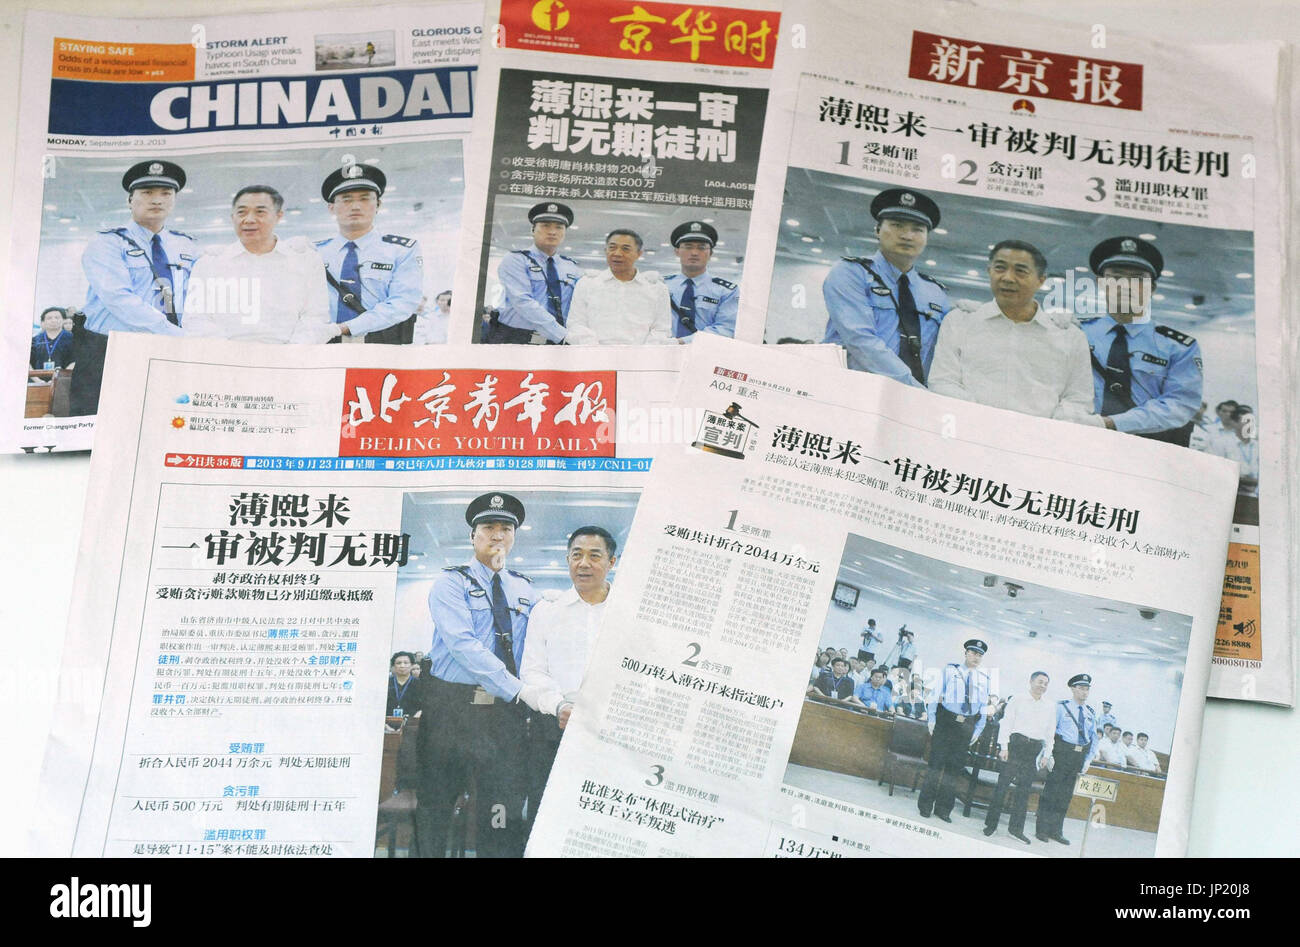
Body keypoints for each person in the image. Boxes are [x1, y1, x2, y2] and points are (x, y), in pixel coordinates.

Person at [419, 492, 538, 857]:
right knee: (436, 803)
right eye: (488, 527)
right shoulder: (450, 584)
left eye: (506, 528)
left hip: (502, 715)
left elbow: (536, 646)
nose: (497, 535)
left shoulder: (526, 588)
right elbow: (463, 645)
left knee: (500, 804)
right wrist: (518, 690)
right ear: (473, 536)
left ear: (514, 537)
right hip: (451, 709)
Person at [72, 159, 197, 415]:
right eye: (147, 193)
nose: (157, 200)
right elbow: (118, 298)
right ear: (130, 200)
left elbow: (200, 293)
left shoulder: (187, 245)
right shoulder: (107, 243)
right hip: (109, 352)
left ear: (174, 200)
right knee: (100, 430)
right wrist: (173, 333)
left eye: (166, 193)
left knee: (162, 423)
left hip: (166, 351)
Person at [928, 240, 1098, 424]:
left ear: (1041, 280)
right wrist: (983, 422)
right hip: (971, 432)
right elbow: (943, 382)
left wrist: (1045, 430)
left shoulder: (1069, 336)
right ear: (989, 272)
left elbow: (1078, 398)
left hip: (1040, 441)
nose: (1008, 278)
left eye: (1020, 271)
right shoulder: (960, 321)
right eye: (1000, 268)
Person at [519, 525, 618, 806]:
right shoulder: (547, 610)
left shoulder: (628, 612)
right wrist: (559, 706)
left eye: (594, 556)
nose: (583, 563)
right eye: (576, 555)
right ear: (567, 560)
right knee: (546, 811)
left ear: (612, 562)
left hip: (609, 732)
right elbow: (532, 671)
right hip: (552, 728)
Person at [1079, 236, 1203, 446]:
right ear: (1101, 284)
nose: (1125, 286)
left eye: (1137, 279)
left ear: (1151, 289)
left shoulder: (1178, 347)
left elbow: (1180, 403)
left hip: (1146, 447)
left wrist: (1112, 423)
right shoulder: (1075, 332)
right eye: (1116, 277)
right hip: (1080, 440)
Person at [822, 188, 952, 385]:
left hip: (915, 400)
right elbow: (860, 340)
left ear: (926, 237)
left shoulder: (936, 293)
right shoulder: (851, 273)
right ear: (877, 230)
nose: (907, 235)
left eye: (918, 229)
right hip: (851, 390)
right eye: (897, 225)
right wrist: (911, 387)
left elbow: (941, 351)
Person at [183, 185, 332, 344]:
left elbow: (316, 316)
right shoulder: (209, 264)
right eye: (242, 212)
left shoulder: (305, 261)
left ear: (278, 216)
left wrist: (290, 353)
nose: (249, 219)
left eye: (260, 212)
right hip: (226, 359)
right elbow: (195, 319)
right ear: (232, 217)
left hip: (290, 359)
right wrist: (228, 352)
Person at [314, 162, 423, 344]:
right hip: (324, 346)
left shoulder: (401, 250)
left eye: (365, 198)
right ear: (331, 208)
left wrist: (346, 328)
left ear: (378, 204)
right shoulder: (315, 252)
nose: (355, 206)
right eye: (346, 199)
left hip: (381, 345)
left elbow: (403, 302)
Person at [918, 638, 991, 822]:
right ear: (965, 653)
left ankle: (944, 809)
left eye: (980, 655)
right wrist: (932, 720)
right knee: (936, 765)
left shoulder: (984, 679)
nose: (976, 657)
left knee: (954, 770)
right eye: (973, 653)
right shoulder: (950, 671)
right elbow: (935, 696)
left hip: (966, 726)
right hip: (946, 722)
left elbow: (983, 708)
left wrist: (978, 729)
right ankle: (926, 805)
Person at [488, 201, 581, 344]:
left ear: (564, 233)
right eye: (545, 226)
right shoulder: (516, 260)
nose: (552, 231)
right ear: (532, 230)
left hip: (556, 341)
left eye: (559, 227)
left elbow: (578, 304)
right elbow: (523, 301)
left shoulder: (572, 267)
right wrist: (562, 335)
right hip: (516, 338)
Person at [564, 229, 673, 345]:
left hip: (640, 358)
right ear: (605, 250)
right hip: (595, 355)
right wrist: (595, 351)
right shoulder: (587, 284)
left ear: (639, 254)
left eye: (625, 249)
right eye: (612, 247)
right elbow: (576, 324)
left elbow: (661, 329)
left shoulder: (656, 289)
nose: (617, 253)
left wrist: (643, 354)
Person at [983, 671, 1055, 844]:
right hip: (1016, 746)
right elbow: (1006, 723)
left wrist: (1047, 754)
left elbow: (1050, 732)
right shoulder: (1017, 699)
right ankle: (991, 825)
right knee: (1002, 785)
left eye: (1046, 683)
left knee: (1024, 791)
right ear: (1031, 681)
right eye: (1040, 682)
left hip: (1033, 750)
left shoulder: (1050, 705)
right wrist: (1004, 747)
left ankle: (1016, 829)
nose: (1042, 686)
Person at [1036, 672, 1101, 845]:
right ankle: (1042, 829)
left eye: (1087, 689)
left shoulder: (1090, 712)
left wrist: (1088, 759)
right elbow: (1048, 732)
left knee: (1065, 795)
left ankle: (1056, 830)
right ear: (1073, 689)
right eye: (1081, 688)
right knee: (1051, 792)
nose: (1084, 692)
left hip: (1078, 757)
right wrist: (1047, 754)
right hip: (1062, 753)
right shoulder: (1061, 707)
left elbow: (1094, 738)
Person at [663, 221, 738, 338]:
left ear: (711, 253)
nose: (694, 253)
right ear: (677, 251)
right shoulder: (662, 285)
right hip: (663, 350)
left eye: (702, 248)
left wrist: (683, 342)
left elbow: (726, 328)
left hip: (706, 353)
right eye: (688, 247)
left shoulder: (727, 291)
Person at [1208, 404, 1260, 497]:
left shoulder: (1258, 447)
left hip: (1254, 496)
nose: (1250, 425)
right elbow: (1214, 471)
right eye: (1246, 421)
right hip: (1228, 494)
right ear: (1234, 423)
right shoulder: (1221, 443)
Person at [386, 651, 423, 719]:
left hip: (412, 724)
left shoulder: (420, 684)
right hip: (386, 724)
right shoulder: (386, 683)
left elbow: (424, 707)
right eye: (398, 663)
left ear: (411, 665)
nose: (402, 666)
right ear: (393, 666)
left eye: (406, 663)